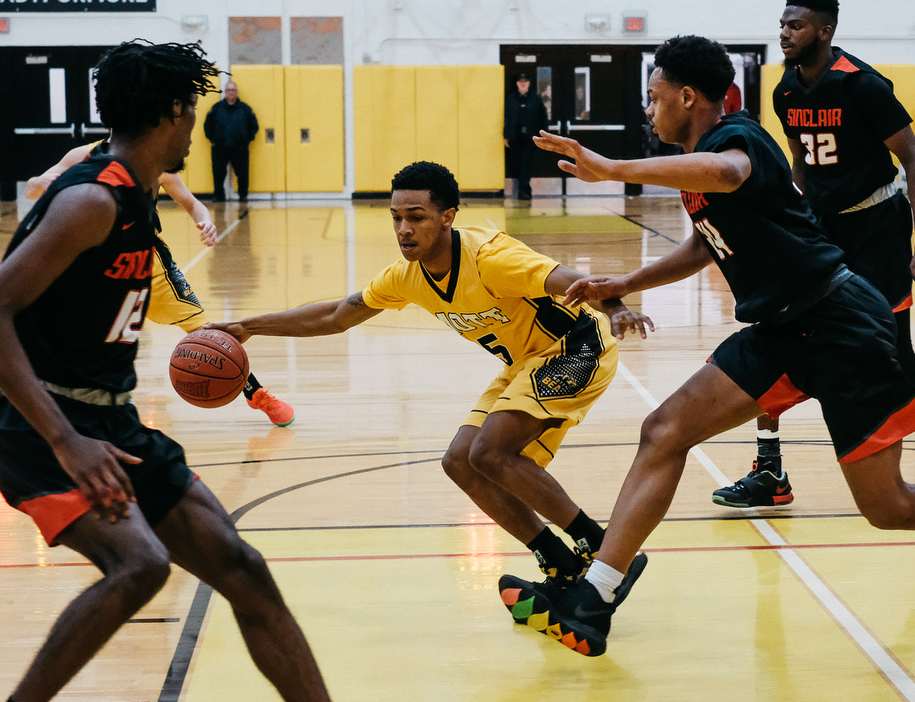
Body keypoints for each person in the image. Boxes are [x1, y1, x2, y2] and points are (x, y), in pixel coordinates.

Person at [0, 41, 461, 702]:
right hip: (46, 430)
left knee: (241, 568)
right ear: (173, 112)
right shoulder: (92, 201)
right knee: (141, 563)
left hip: (113, 423)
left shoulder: (139, 192)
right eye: (193, 107)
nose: (196, 123)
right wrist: (67, 439)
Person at [518, 35, 915, 658]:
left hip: (841, 324)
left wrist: (613, 169)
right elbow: (708, 242)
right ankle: (596, 596)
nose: (649, 110)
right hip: (781, 332)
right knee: (664, 430)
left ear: (687, 97)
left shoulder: (737, 139)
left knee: (888, 507)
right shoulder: (698, 164)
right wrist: (628, 282)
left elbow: (728, 174)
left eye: (654, 98)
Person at [204, 161, 653, 622]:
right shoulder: (407, 276)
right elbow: (336, 315)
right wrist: (248, 326)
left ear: (447, 217)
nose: (404, 229)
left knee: (491, 451)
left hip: (577, 346)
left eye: (416, 217)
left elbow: (572, 279)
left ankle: (602, 550)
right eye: (397, 217)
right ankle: (560, 564)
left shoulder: (490, 258)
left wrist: (616, 307)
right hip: (527, 361)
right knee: (461, 461)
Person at [712, 0, 915, 511]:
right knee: (776, 334)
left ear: (825, 31)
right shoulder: (785, 91)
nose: (784, 33)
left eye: (795, 25)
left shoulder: (863, 85)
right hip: (821, 230)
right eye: (782, 24)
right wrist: (791, 220)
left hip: (876, 228)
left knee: (894, 350)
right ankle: (770, 471)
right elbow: (799, 163)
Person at [25, 140, 295, 427]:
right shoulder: (83, 156)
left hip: (147, 262)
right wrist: (39, 182)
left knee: (208, 336)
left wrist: (205, 221)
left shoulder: (156, 162)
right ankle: (56, 404)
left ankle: (257, 394)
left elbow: (192, 203)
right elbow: (31, 190)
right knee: (75, 336)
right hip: (95, 263)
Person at [203, 80, 258, 203]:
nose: (231, 92)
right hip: (220, 147)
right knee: (218, 173)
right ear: (225, 92)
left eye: (233, 90)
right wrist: (213, 139)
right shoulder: (216, 108)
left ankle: (243, 196)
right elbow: (207, 125)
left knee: (242, 173)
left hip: (240, 147)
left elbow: (254, 126)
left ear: (237, 92)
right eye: (228, 90)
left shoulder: (245, 109)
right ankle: (219, 196)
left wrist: (246, 139)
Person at [504, 74, 549, 200]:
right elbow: (506, 118)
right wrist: (505, 136)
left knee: (525, 163)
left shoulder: (536, 99)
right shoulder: (511, 100)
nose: (523, 83)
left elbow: (543, 117)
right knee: (517, 164)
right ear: (517, 83)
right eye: (521, 81)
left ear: (529, 83)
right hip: (515, 137)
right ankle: (523, 189)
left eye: (525, 81)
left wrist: (544, 135)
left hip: (531, 137)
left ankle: (525, 191)